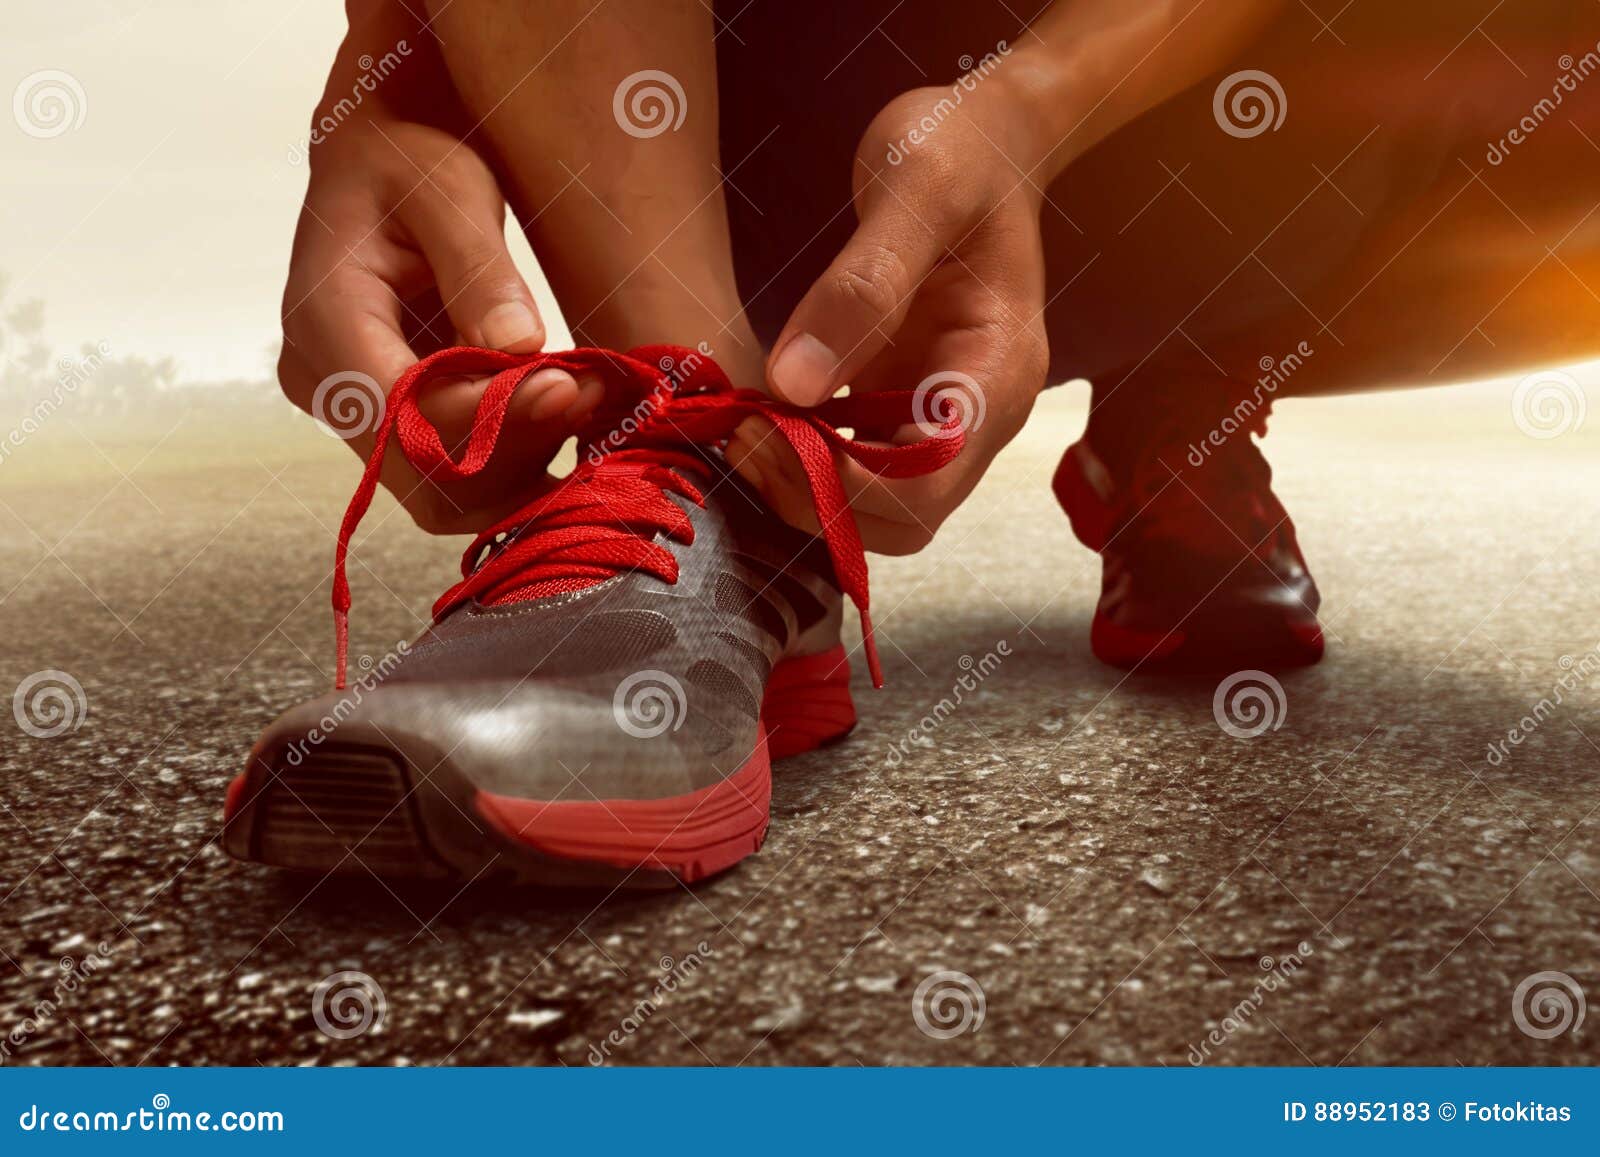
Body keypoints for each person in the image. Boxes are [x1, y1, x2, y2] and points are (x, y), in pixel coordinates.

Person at [228, 0, 1600, 882]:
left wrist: (1032, 104)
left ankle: (1190, 400)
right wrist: (381, 99)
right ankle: (717, 458)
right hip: (749, 162)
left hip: (1244, 134)